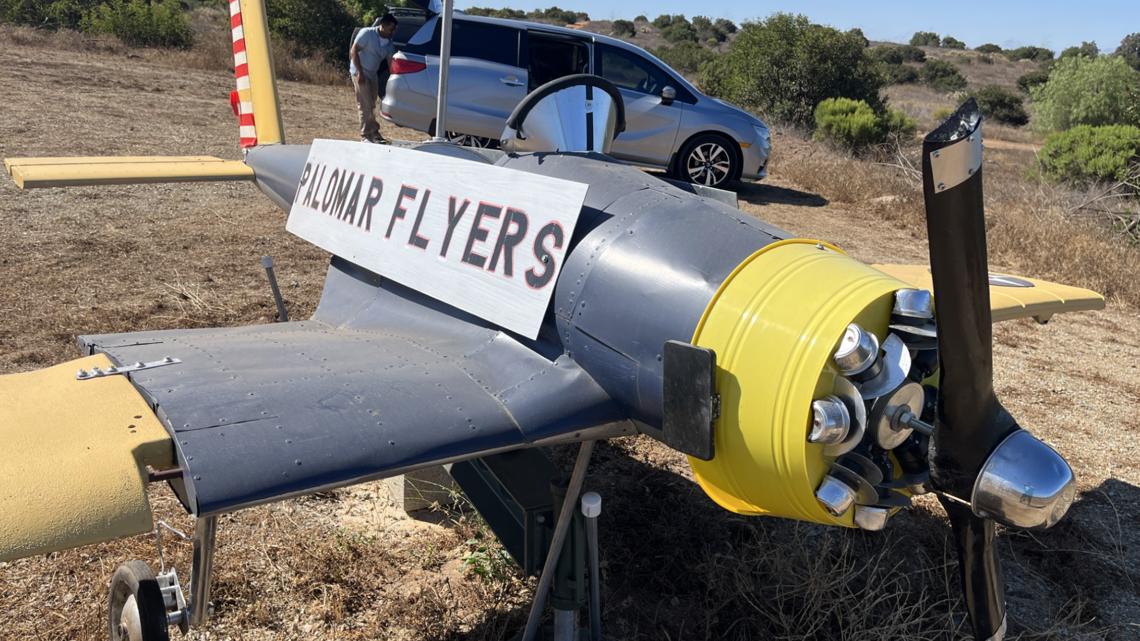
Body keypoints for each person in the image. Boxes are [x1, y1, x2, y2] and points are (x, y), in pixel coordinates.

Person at [349, 13, 398, 144]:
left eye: (394, 29)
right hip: (359, 72)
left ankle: (374, 132)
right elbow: (354, 50)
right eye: (391, 29)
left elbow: (391, 63)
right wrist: (360, 73)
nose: (392, 32)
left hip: (372, 74)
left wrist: (395, 80)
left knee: (371, 104)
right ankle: (365, 135)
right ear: (383, 25)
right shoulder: (367, 34)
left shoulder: (389, 43)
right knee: (364, 104)